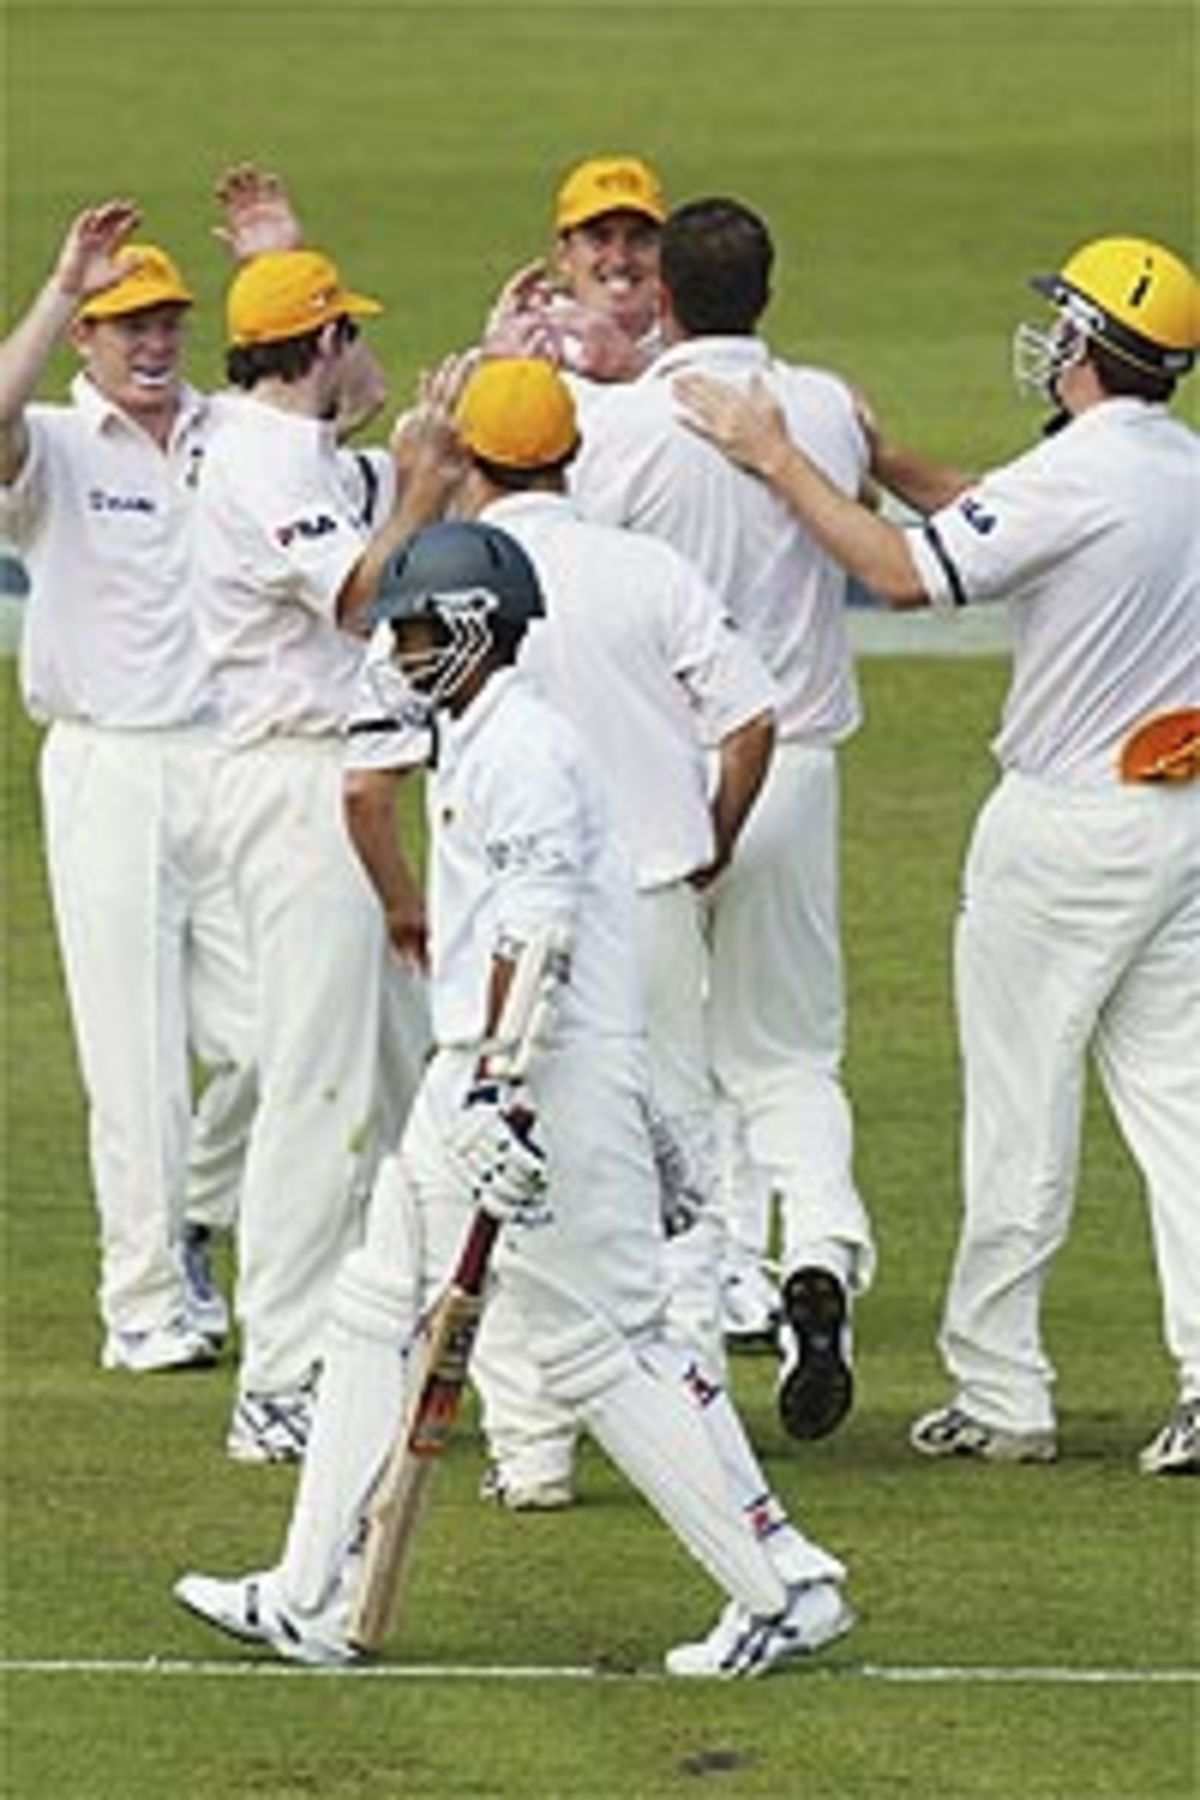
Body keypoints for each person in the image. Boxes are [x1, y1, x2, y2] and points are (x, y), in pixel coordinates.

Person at [173, 518, 855, 1675]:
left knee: (603, 1348)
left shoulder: (522, 748)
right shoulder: (481, 735)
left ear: (477, 633)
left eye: (418, 627)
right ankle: (304, 1593)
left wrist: (501, 1088)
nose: (396, 647)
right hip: (499, 1075)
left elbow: (540, 930)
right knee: (380, 1301)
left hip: (534, 1080)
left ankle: (777, 1582)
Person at [673, 233, 1200, 1476]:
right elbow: (1005, 520)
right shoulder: (1171, 468)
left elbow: (907, 575)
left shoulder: (1082, 478)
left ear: (1088, 346)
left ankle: (1005, 1392)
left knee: (1020, 1112)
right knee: (1182, 1110)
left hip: (1065, 828)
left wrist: (781, 458)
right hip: (1178, 824)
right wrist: (889, 457)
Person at [343, 356, 778, 1509]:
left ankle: (534, 1453)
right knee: (670, 1168)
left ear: (472, 459)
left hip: (524, 943)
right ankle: (699, 1428)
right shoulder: (647, 564)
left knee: (513, 1194)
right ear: (573, 450)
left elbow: (366, 782)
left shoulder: (443, 596)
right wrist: (712, 837)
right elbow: (751, 715)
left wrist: (405, 903)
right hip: (649, 905)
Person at [570, 197, 877, 1443]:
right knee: (791, 1055)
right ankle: (819, 1250)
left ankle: (700, 1308)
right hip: (795, 761)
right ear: (769, 285)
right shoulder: (827, 411)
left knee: (662, 1058)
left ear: (669, 296)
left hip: (661, 778)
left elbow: (577, 579)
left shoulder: (625, 428)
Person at [0, 193, 280, 1372]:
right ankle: (147, 1307)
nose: (154, 342)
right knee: (135, 1057)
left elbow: (351, 400)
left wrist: (279, 263)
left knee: (283, 1037)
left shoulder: (229, 429)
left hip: (232, 756)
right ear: (88, 340)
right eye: (127, 325)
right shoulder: (54, 447)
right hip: (108, 764)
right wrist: (64, 281)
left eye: (166, 321)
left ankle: (199, 1216)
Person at [190, 246, 432, 1461]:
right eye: (351, 334)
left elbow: (367, 433)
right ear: (322, 345)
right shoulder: (260, 458)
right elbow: (360, 596)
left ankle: (402, 1341)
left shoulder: (273, 439)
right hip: (299, 787)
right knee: (318, 1086)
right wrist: (431, 483)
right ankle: (280, 1378)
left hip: (328, 780)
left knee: (402, 1082)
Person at [483, 153, 667, 400]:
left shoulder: (691, 340)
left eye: (639, 239)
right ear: (564, 256)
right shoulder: (526, 346)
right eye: (600, 238)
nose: (620, 259)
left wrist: (636, 369)